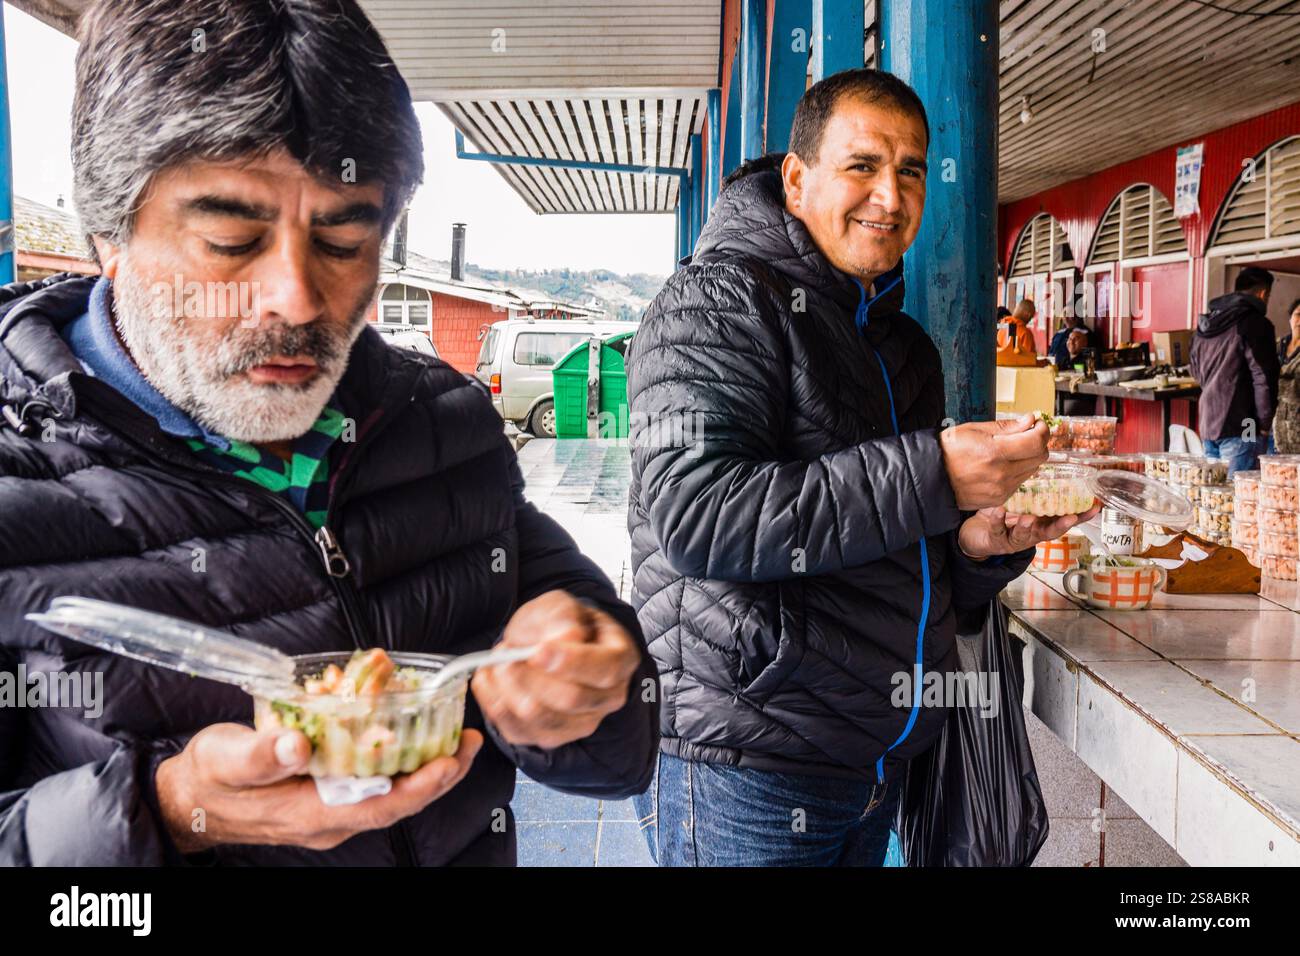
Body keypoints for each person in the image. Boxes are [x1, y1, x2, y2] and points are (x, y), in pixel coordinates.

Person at [0, 0, 657, 866]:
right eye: (232, 240)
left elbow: (623, 744)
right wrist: (168, 812)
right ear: (107, 235)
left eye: (344, 243)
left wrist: (582, 687)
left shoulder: (440, 427)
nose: (298, 300)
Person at [625, 68, 1097, 867]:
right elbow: (696, 517)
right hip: (747, 764)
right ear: (798, 178)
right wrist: (937, 475)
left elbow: (901, 552)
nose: (890, 193)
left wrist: (980, 545)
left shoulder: (899, 345)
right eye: (863, 165)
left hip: (873, 761)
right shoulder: (715, 303)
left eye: (910, 169)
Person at [1190, 266, 1280, 474]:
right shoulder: (1255, 323)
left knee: (1215, 498)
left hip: (1208, 423)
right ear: (1263, 293)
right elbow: (1264, 377)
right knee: (1239, 495)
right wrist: (1264, 424)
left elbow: (1195, 371)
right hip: (1245, 425)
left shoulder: (1206, 324)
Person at [1271, 298, 1300, 453]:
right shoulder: (1275, 346)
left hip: (1293, 435)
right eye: (1298, 315)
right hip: (1264, 429)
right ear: (1290, 319)